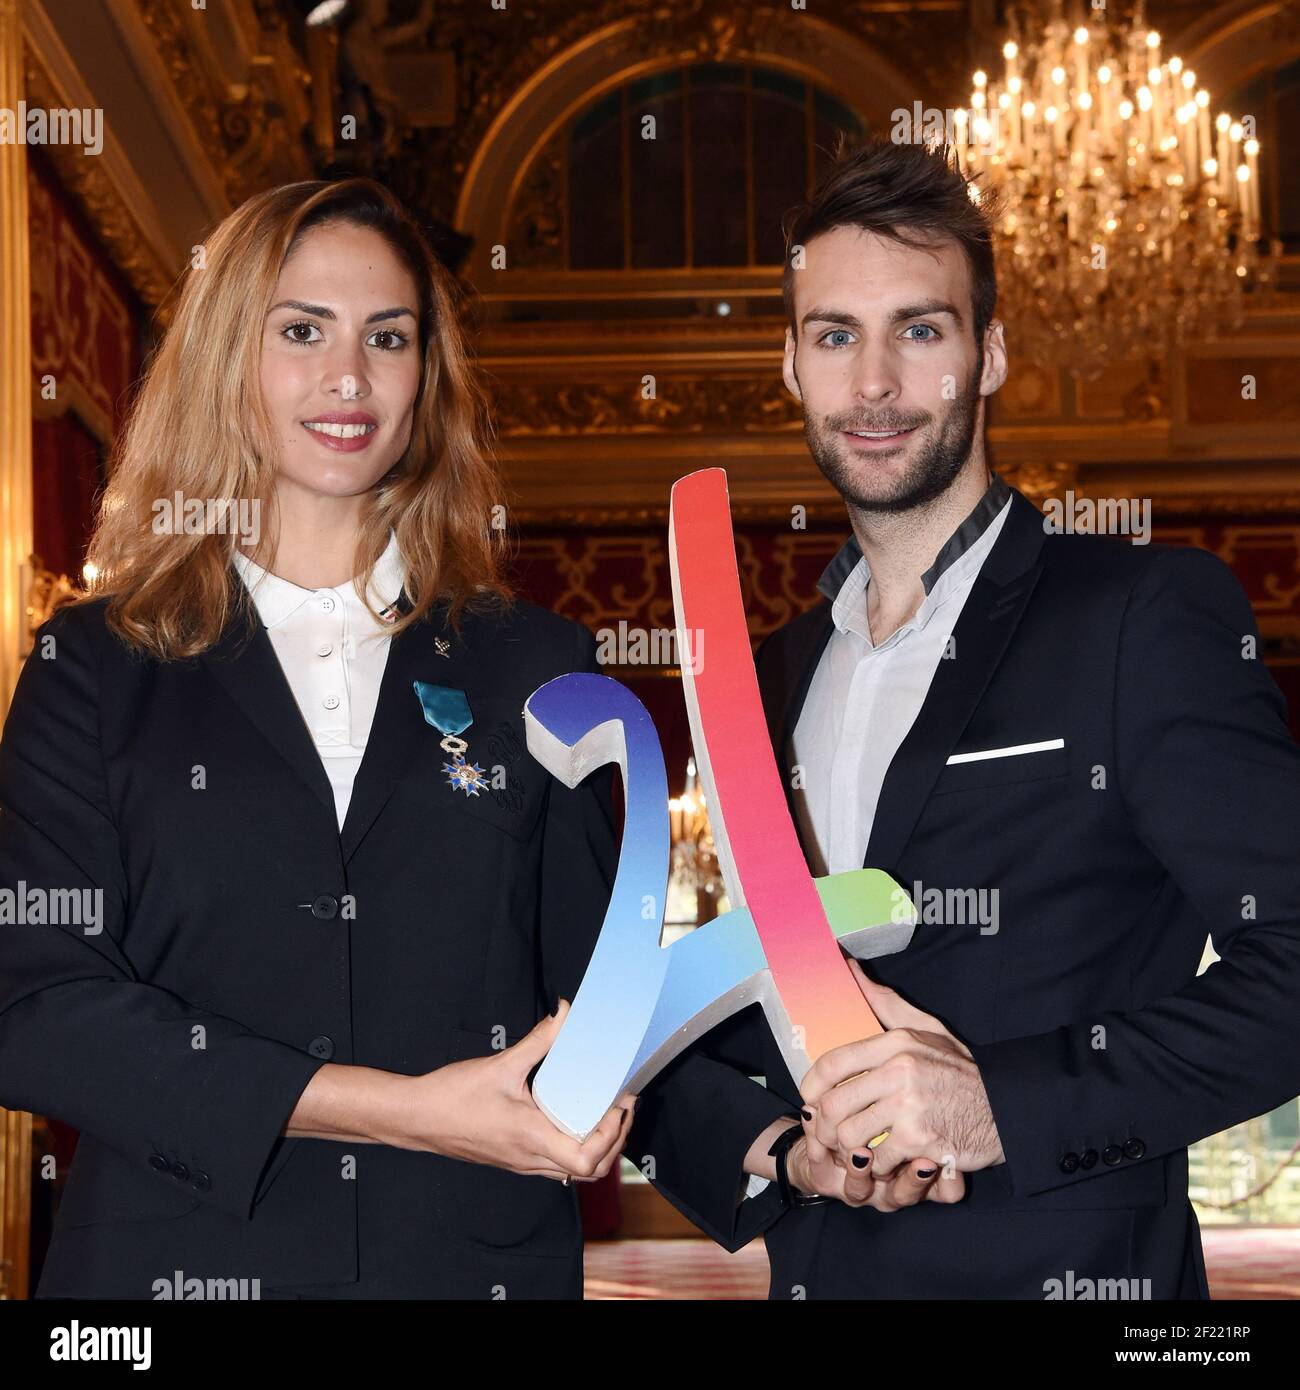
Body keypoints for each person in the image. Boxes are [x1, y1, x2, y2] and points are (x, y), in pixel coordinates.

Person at [629, 134, 1300, 1299]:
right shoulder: (769, 674)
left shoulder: (1140, 616)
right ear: (790, 365)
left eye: (919, 331)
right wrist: (787, 1150)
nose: (875, 384)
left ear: (988, 356)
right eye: (835, 336)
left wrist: (1004, 1105)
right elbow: (744, 1006)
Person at [0, 176, 632, 1300]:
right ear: (225, 360)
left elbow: (603, 990)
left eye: (387, 338)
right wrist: (398, 1110)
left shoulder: (538, 665)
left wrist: (779, 1148)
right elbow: (34, 1011)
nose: (348, 377)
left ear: (423, 377)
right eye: (301, 332)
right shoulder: (92, 666)